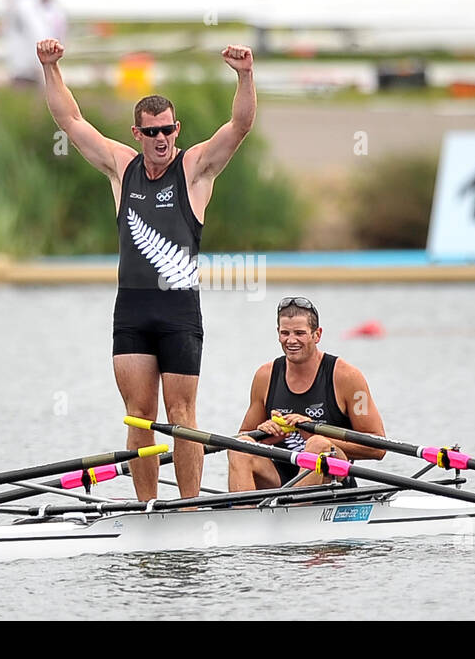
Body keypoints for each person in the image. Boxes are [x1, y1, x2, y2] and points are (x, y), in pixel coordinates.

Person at [37, 37, 256, 501]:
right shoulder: (121, 167)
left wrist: (245, 76)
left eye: (168, 130)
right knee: (139, 414)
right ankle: (148, 509)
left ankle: (189, 508)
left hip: (179, 315)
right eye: (152, 132)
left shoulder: (195, 170)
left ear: (177, 130)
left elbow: (239, 125)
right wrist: (51, 68)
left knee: (182, 415)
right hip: (132, 314)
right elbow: (70, 120)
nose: (161, 140)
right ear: (137, 134)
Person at [228, 297, 387, 492]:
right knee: (240, 446)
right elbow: (245, 434)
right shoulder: (265, 376)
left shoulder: (346, 377)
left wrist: (315, 432)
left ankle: (291, 511)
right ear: (278, 333)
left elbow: (378, 447)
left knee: (316, 443)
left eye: (300, 333)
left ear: (317, 335)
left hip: (331, 478)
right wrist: (264, 435)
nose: (291, 340)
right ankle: (243, 515)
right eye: (285, 333)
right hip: (279, 478)